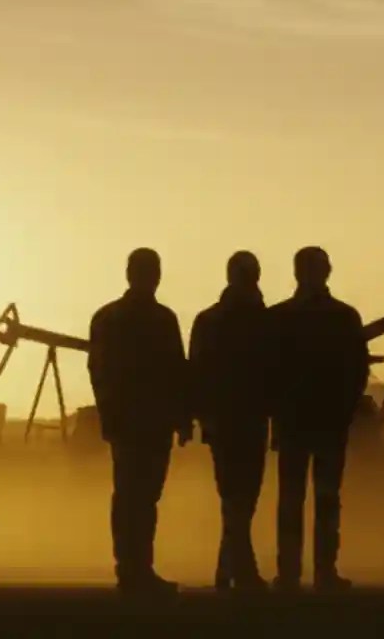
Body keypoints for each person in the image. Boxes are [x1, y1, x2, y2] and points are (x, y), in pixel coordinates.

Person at [88, 248, 193, 595]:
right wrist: (182, 418)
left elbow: (99, 371)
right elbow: (177, 370)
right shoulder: (162, 319)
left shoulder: (107, 318)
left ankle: (131, 568)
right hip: (151, 422)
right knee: (143, 498)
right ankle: (138, 569)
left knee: (131, 496)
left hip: (130, 422)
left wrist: (109, 416)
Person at [269, 246, 369, 592]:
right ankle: (325, 571)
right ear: (328, 271)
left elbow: (266, 372)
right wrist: (345, 411)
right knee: (327, 497)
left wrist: (276, 412)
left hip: (293, 421)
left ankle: (289, 573)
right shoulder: (344, 317)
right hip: (329, 422)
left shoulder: (278, 317)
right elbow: (358, 371)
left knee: (291, 499)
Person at [188, 251, 271, 594]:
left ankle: (227, 567)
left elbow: (195, 372)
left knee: (231, 496)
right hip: (250, 418)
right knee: (244, 497)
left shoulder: (208, 319)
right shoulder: (265, 321)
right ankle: (241, 570)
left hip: (220, 421)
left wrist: (196, 415)